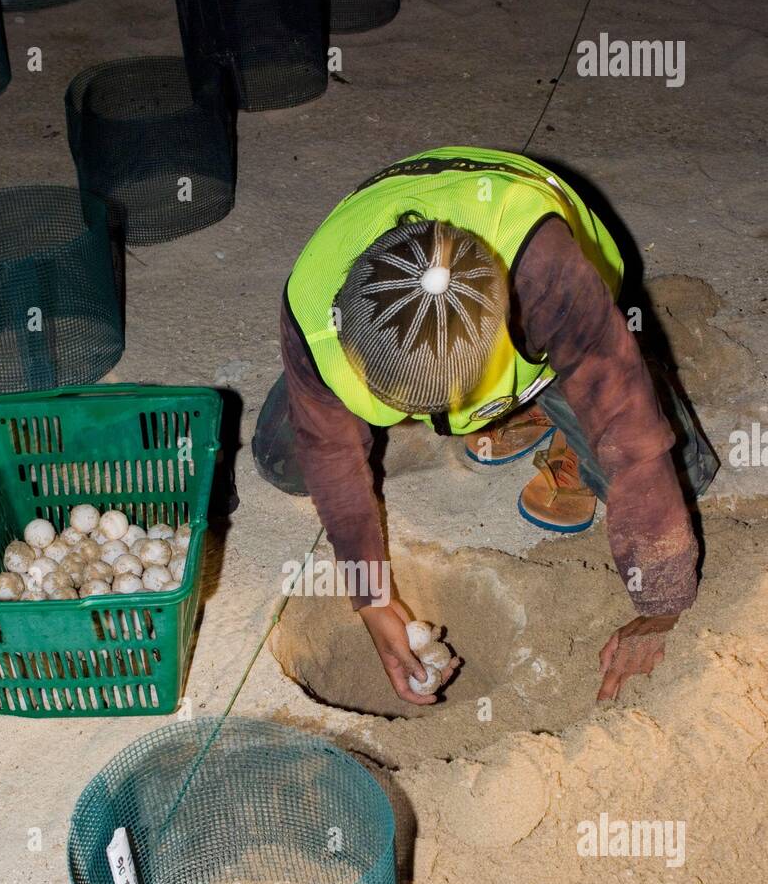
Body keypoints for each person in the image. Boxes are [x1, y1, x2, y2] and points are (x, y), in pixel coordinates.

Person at [252, 147, 718, 705]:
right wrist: (372, 598)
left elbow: (635, 444)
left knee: (681, 476)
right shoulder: (311, 304)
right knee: (285, 461)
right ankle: (508, 404)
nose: (418, 423)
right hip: (420, 304)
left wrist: (662, 607)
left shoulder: (548, 279)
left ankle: (541, 399)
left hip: (552, 318)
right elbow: (330, 453)